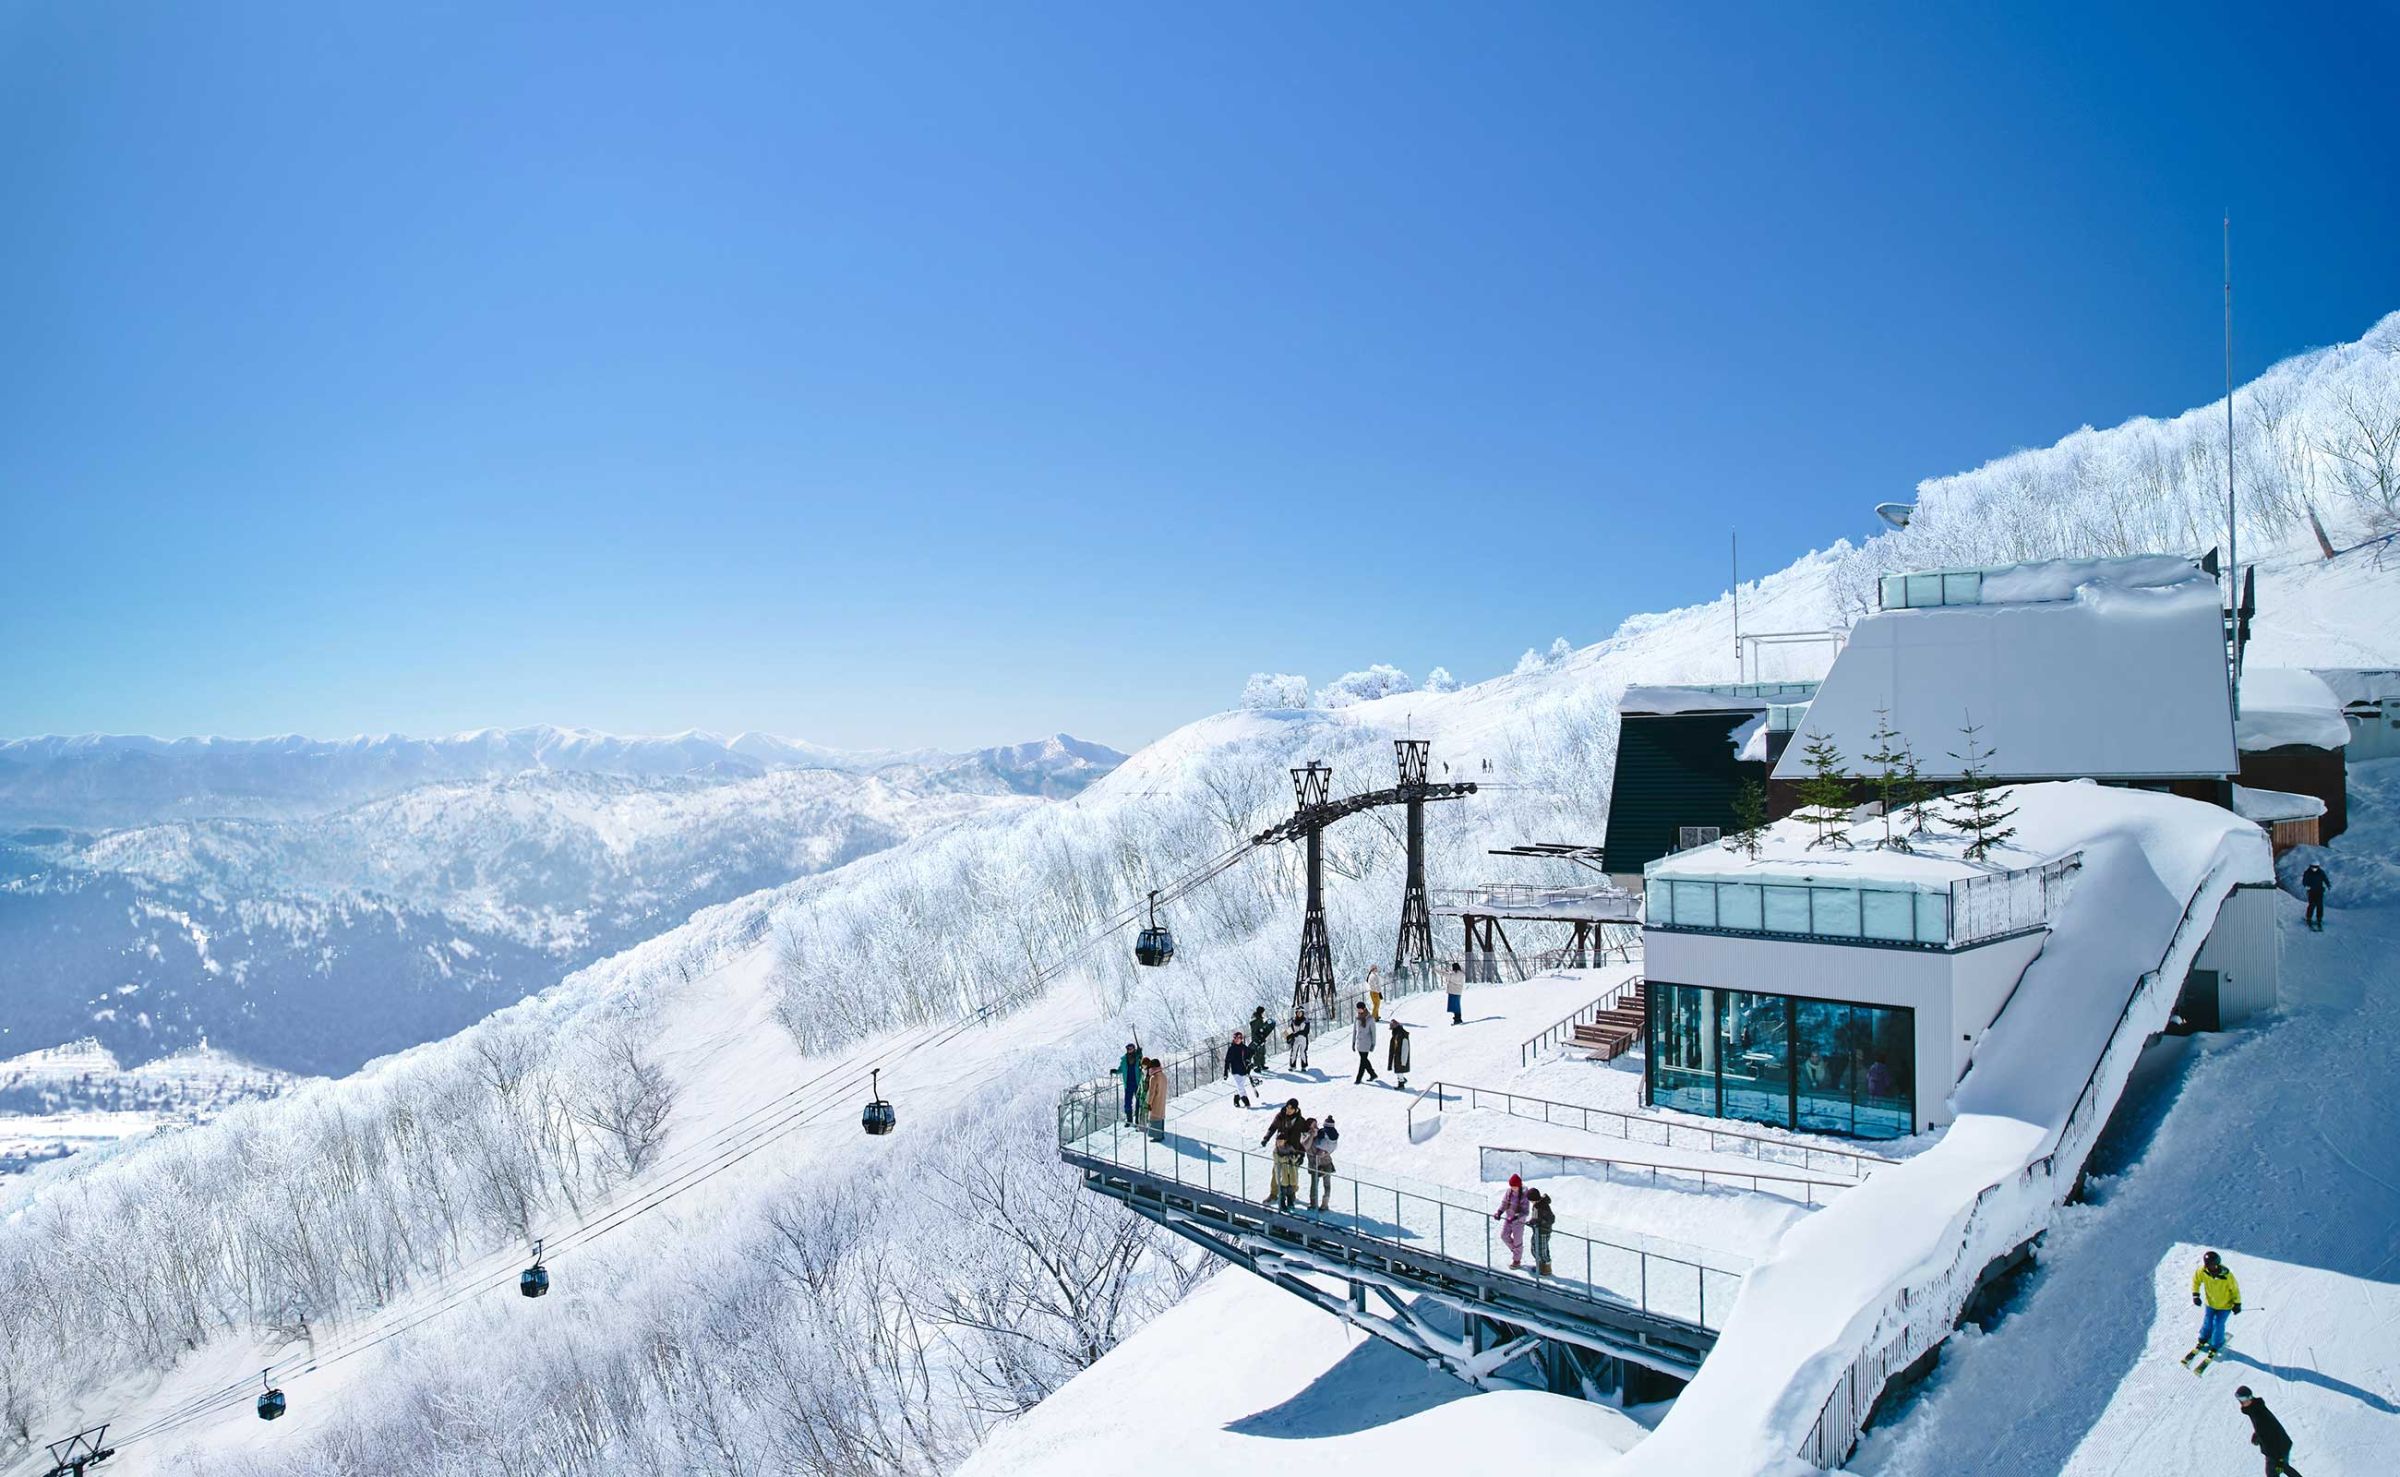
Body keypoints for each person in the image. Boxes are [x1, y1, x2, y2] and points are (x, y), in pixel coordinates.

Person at [2234, 1387, 2302, 1476]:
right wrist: (2257, 1435)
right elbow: (2265, 1429)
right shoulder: (2254, 1408)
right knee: (2280, 1468)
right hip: (2279, 1447)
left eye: (2246, 1398)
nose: (2244, 1401)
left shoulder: (2258, 1413)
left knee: (2276, 1470)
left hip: (2278, 1449)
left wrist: (2279, 1457)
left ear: (2251, 1397)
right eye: (2241, 1399)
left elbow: (2271, 1432)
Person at [2193, 1249, 2242, 1354]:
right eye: (2208, 1265)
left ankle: (2217, 1343)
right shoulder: (2202, 1271)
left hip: (2225, 1306)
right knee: (2208, 1321)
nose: (2211, 1268)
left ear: (2217, 1264)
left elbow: (2235, 1290)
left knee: (2218, 1324)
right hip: (2210, 1303)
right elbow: (2196, 1281)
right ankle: (2204, 1337)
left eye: (2213, 1265)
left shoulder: (2227, 1276)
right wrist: (2196, 1295)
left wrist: (2237, 1303)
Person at [1494, 1174, 1530, 1270]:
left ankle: (1517, 1260)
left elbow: (1526, 1212)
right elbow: (1504, 1203)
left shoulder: (1524, 1194)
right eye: (1512, 1186)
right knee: (1504, 1236)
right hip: (1508, 1219)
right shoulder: (1509, 1192)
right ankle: (1516, 1252)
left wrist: (1516, 1217)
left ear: (1519, 1185)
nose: (1513, 1188)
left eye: (1515, 1186)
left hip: (1519, 1222)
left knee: (1517, 1241)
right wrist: (1499, 1212)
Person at [1307, 1115, 1339, 1211]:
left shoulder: (1322, 1133)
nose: (1316, 1127)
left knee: (1318, 1184)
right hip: (1324, 1162)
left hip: (1319, 1162)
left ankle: (1318, 1204)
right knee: (1323, 1184)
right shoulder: (1333, 1134)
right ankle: (1323, 1204)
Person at [1223, 1032, 1258, 1108]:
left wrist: (1254, 1050)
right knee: (1240, 1087)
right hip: (1235, 1071)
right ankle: (1247, 1102)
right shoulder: (1231, 1049)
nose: (1238, 1040)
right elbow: (1227, 1061)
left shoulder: (1244, 1047)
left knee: (1239, 1086)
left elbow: (1249, 1055)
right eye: (1236, 1038)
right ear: (1234, 1039)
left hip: (1244, 1070)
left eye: (1239, 1038)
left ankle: (1236, 1099)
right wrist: (1225, 1072)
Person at [1527, 1187, 1556, 1277]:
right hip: (1537, 1230)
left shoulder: (1543, 1206)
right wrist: (1531, 1222)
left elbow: (1551, 1219)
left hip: (1543, 1231)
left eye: (1531, 1200)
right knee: (1534, 1247)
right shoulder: (1536, 1205)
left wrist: (1541, 1223)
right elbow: (1535, 1217)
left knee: (1542, 1250)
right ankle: (1540, 1265)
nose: (1531, 1203)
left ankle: (1546, 1269)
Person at [1351, 1003, 1382, 1084]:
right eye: (1357, 1009)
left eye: (1360, 1009)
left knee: (1363, 1060)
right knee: (1364, 1060)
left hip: (1366, 1043)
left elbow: (1373, 1033)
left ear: (1364, 1008)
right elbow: (1354, 1031)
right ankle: (1372, 1074)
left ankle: (1358, 1078)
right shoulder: (1357, 1018)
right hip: (1359, 1044)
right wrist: (1353, 1042)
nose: (1358, 1011)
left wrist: (1373, 1044)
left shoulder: (1370, 1019)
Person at [2300, 861, 2330, 931]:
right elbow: (2304, 880)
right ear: (2310, 866)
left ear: (2318, 867)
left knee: (2320, 905)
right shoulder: (2307, 872)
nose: (2314, 868)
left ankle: (2319, 918)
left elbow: (2325, 879)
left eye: (2316, 867)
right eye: (2313, 867)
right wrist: (2306, 886)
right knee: (2312, 904)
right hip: (2311, 891)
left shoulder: (2321, 872)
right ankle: (2309, 918)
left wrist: (2328, 885)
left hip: (2319, 891)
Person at [1143, 1057, 1168, 1142]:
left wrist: (1149, 1103)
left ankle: (1157, 1136)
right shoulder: (1163, 1076)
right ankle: (1161, 1134)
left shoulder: (1153, 1077)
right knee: (1161, 1117)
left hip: (1156, 1101)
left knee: (1155, 1118)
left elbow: (1151, 1092)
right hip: (1162, 1099)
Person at [1117, 1041, 1142, 1125]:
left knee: (1139, 1101)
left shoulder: (1138, 1057)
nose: (1129, 1050)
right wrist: (1115, 1071)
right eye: (1128, 1049)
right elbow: (1121, 1069)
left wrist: (1140, 1053)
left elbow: (1143, 1063)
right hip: (1128, 1084)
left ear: (1134, 1049)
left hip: (1137, 1083)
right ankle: (1129, 1120)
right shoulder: (1124, 1060)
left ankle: (1138, 1119)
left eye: (1131, 1048)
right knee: (1127, 1102)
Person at [1386, 1018, 1412, 1092]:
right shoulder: (1396, 1034)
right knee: (1397, 1069)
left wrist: (1403, 1059)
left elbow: (1405, 1048)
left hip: (1400, 1056)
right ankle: (1402, 1080)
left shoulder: (1402, 1035)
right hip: (1397, 1055)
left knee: (1399, 1070)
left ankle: (1401, 1084)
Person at [1446, 960, 1466, 1026]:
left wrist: (1435, 969)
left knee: (1455, 1007)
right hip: (1458, 992)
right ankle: (1457, 1018)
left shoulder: (1452, 974)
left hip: (1452, 991)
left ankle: (1457, 1019)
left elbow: (1445, 975)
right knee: (1457, 1006)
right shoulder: (1462, 974)